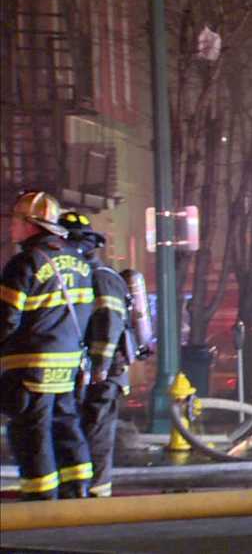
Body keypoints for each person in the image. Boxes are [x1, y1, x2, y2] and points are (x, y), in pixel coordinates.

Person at [0, 192, 94, 499]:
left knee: (32, 432)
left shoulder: (24, 263)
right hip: (66, 366)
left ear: (29, 224)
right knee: (66, 426)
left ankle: (40, 500)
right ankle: (77, 488)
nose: (10, 227)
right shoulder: (79, 262)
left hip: (30, 367)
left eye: (14, 220)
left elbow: (7, 318)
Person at [59, 212, 128, 498]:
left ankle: (98, 495)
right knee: (84, 430)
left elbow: (110, 323)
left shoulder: (101, 278)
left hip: (105, 372)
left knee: (97, 433)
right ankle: (83, 490)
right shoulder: (84, 275)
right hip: (89, 370)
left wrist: (99, 366)